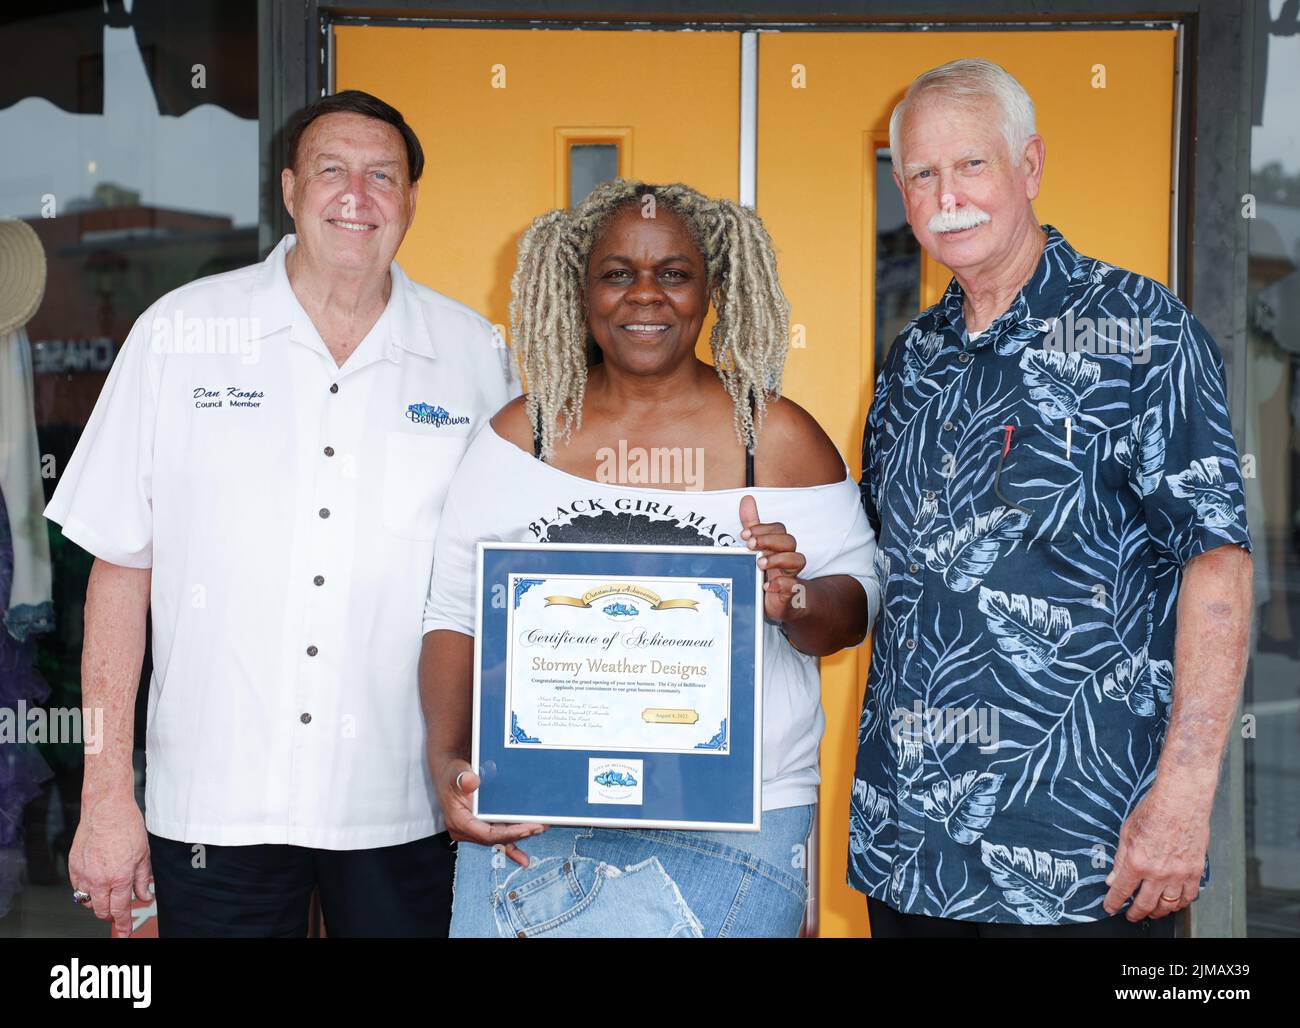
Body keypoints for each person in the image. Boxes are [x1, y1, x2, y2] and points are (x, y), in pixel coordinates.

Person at [44, 90, 515, 937]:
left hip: (406, 805)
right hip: (216, 807)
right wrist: (106, 794)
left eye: (383, 175)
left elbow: (514, 579)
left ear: (409, 201)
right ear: (292, 190)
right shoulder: (181, 334)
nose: (356, 195)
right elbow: (120, 573)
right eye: (332, 170)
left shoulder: (476, 359)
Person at [850, 58, 1253, 938]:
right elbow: (888, 561)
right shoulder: (912, 358)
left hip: (1085, 850)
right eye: (920, 173)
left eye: (972, 165)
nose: (945, 194)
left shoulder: (1142, 332)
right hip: (912, 847)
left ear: (1029, 166)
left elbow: (1217, 565)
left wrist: (1185, 797)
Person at [419, 179, 881, 937]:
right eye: (617, 273)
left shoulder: (777, 438)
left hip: (736, 818)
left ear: (711, 290)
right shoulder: (516, 440)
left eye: (673, 273)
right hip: (539, 809)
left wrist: (795, 600)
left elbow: (856, 607)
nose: (645, 296)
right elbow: (454, 617)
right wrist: (446, 758)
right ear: (581, 289)